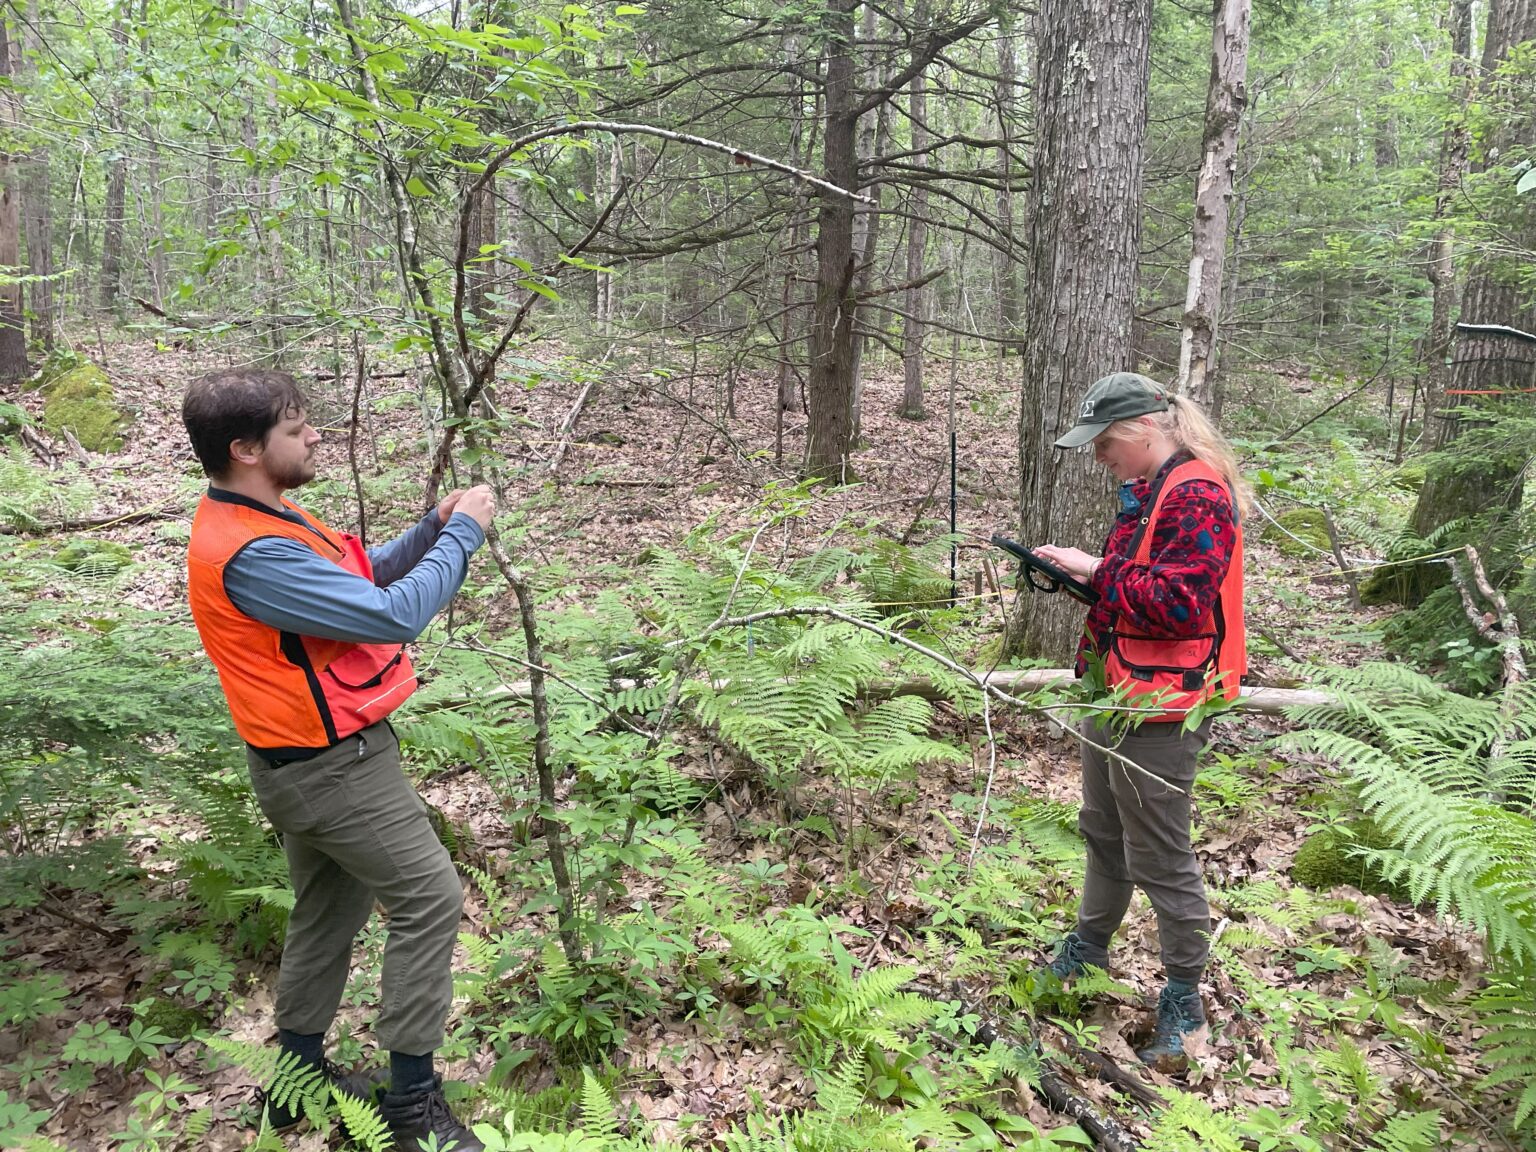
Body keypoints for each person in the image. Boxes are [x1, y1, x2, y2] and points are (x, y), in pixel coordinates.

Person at [182, 368, 492, 1150]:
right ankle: (412, 1104)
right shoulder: (251, 553)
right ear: (246, 449)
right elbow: (395, 613)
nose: (315, 434)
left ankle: (292, 1083)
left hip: (307, 763)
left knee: (330, 911)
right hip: (333, 772)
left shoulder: (263, 516)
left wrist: (430, 527)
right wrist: (465, 535)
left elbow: (358, 582)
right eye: (297, 427)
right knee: (430, 898)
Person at [1032, 371, 1247, 1065]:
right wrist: (1078, 578)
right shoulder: (1147, 495)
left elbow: (1182, 604)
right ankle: (1087, 952)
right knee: (1102, 831)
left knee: (1160, 854)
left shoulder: (1199, 494)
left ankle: (1185, 1000)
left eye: (1104, 444)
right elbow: (1138, 592)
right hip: (1117, 686)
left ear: (1145, 429)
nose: (1099, 457)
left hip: (1165, 704)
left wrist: (1094, 570)